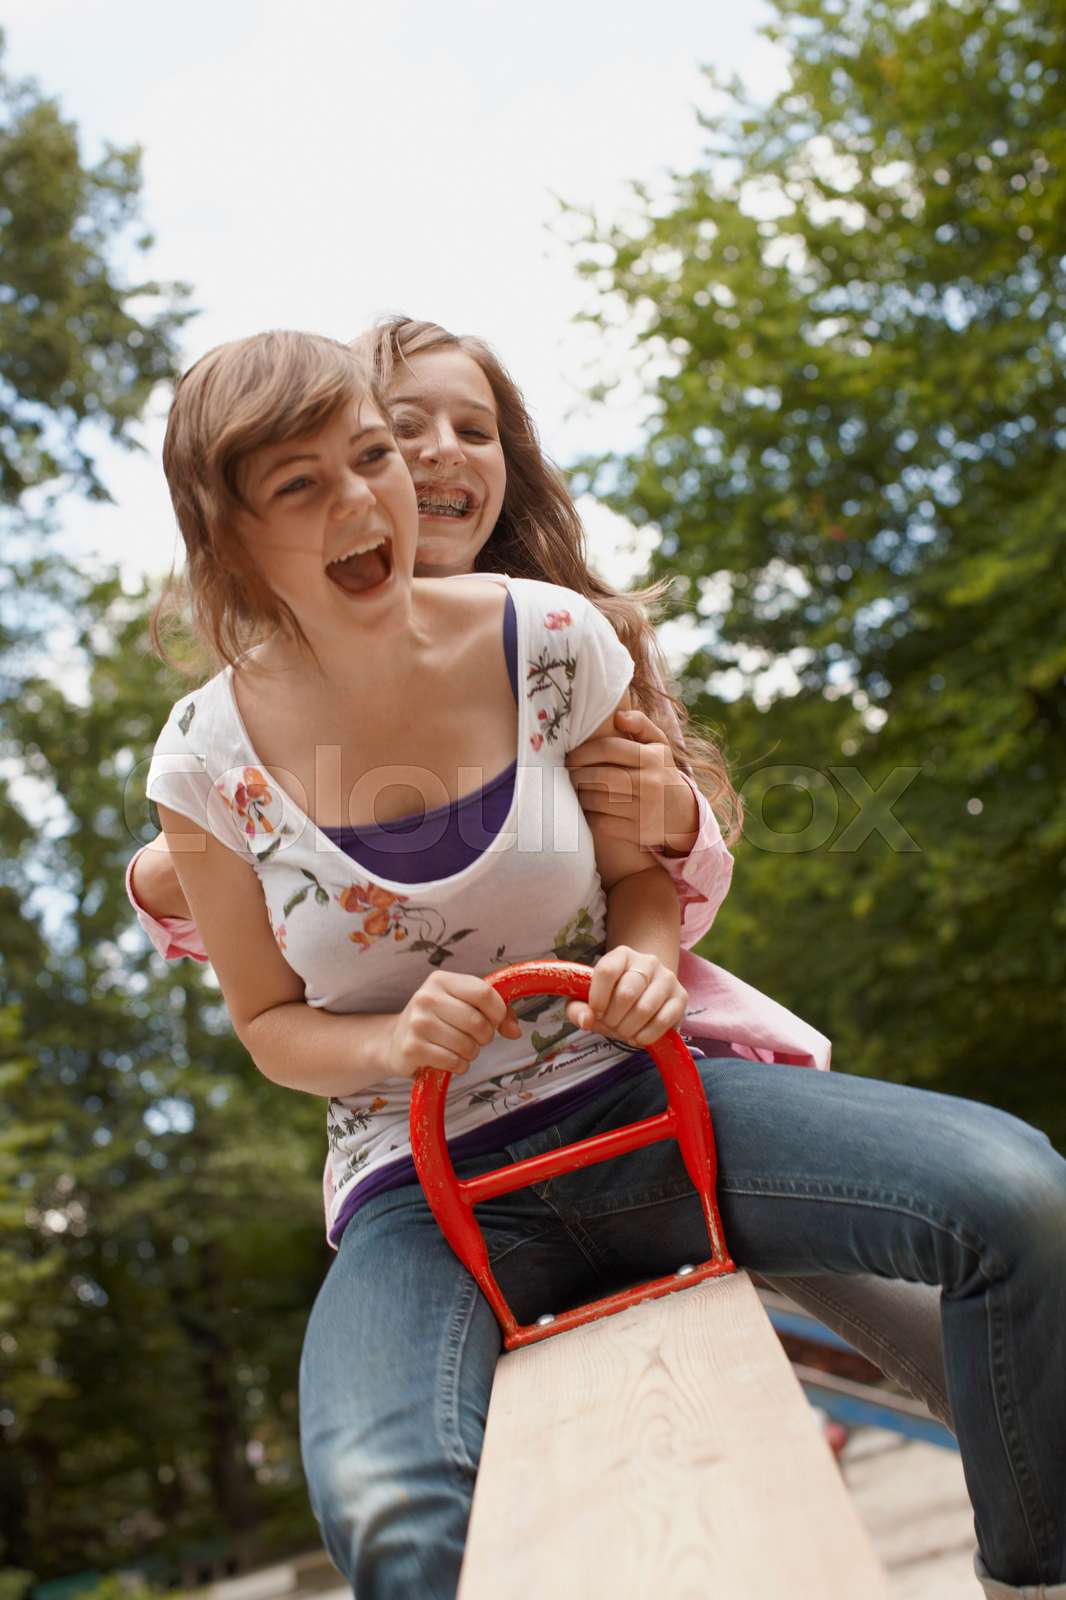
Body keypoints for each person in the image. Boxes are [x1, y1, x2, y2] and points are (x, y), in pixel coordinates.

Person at [144, 327, 1066, 1600]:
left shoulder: (556, 638)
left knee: (1018, 1197)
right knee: (390, 1513)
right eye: (301, 486)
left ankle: (1031, 1580)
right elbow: (265, 1020)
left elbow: (646, 881)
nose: (365, 498)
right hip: (423, 1186)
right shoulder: (201, 762)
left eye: (371, 458)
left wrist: (638, 958)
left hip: (641, 1096)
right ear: (229, 536)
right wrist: (386, 1043)